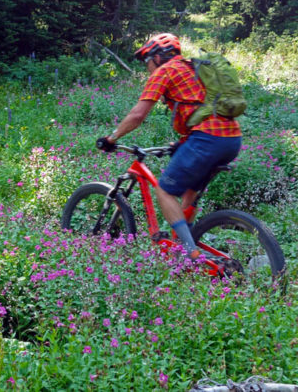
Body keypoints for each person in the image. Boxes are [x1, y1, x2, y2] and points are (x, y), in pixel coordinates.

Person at [96, 33, 242, 258]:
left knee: (164, 190)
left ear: (158, 57)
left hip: (207, 140)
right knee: (189, 191)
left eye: (147, 61)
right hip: (230, 139)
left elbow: (138, 115)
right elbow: (202, 109)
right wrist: (183, 142)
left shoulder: (164, 71)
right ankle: (182, 244)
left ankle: (190, 254)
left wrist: (111, 138)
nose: (147, 67)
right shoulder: (195, 68)